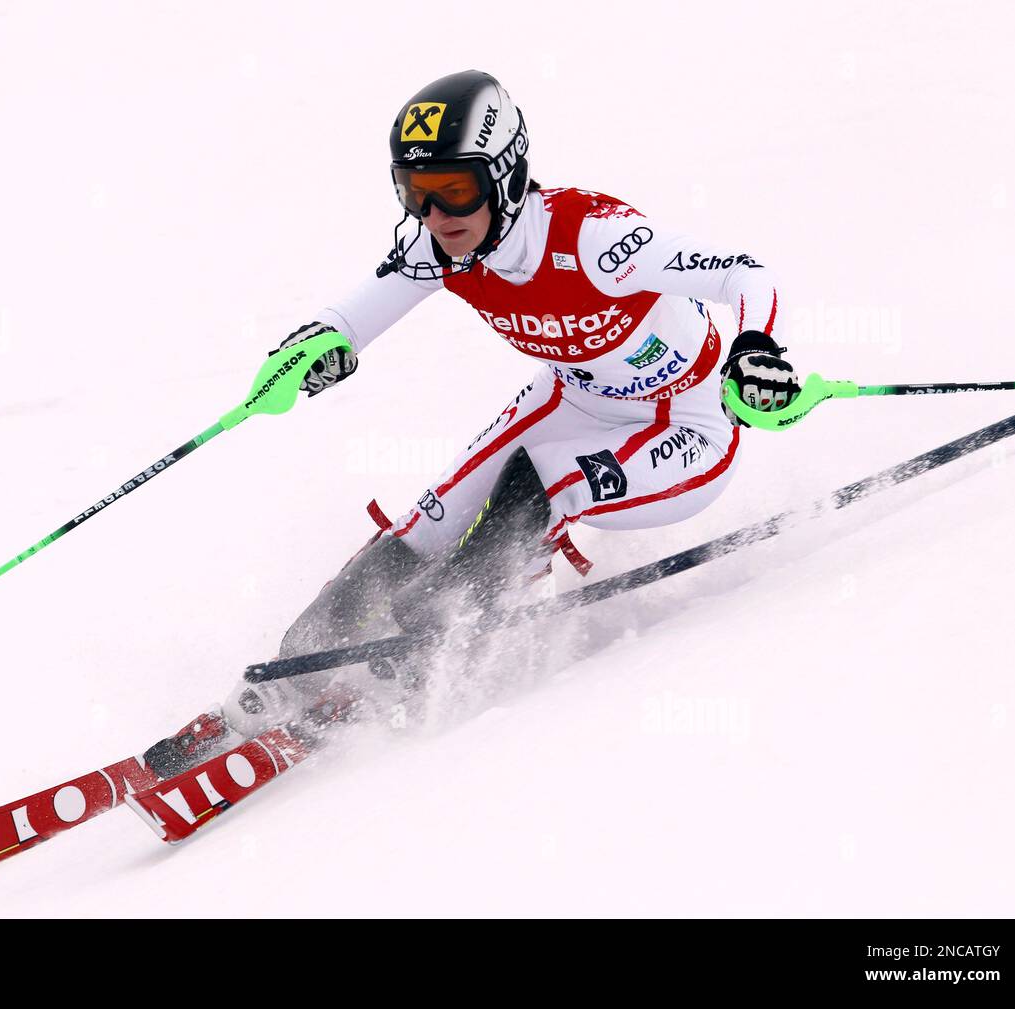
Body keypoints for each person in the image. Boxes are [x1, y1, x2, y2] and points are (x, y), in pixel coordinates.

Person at [146, 69, 801, 777]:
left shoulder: (594, 240)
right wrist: (312, 350)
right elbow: (350, 318)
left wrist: (756, 349)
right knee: (428, 521)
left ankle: (442, 654)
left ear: (509, 176)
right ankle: (290, 672)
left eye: (454, 188)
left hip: (689, 422)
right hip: (575, 400)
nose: (434, 214)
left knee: (539, 489)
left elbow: (745, 274)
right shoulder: (440, 247)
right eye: (413, 191)